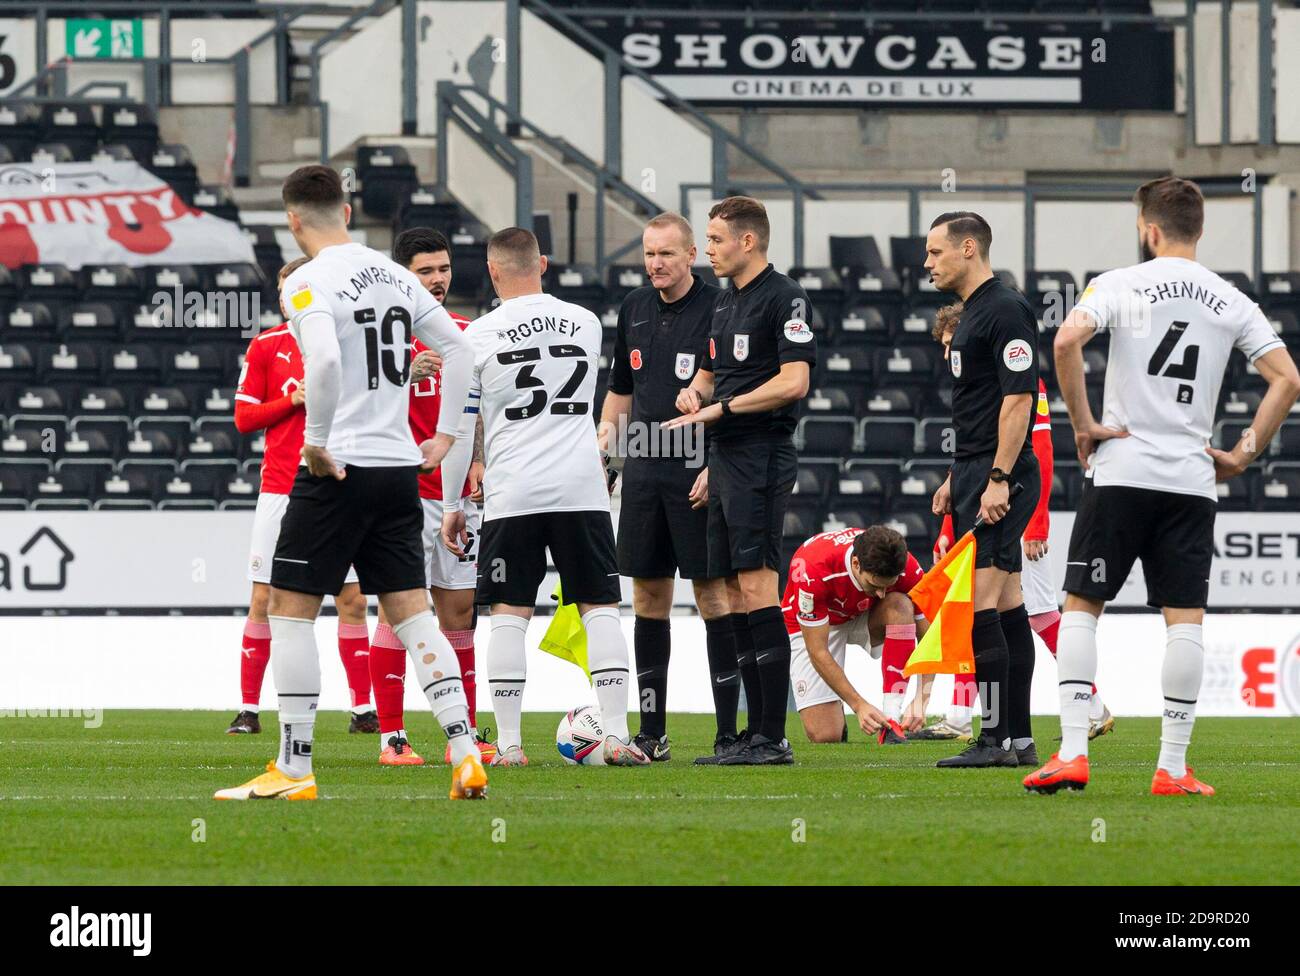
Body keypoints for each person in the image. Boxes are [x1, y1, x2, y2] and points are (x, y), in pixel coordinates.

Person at [215, 164, 487, 801]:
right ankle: (464, 751)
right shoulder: (395, 274)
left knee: (289, 610)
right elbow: (462, 351)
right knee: (414, 616)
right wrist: (443, 438)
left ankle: (294, 766)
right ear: (345, 207)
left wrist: (315, 442)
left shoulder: (307, 281)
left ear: (291, 219)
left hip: (338, 470)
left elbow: (329, 360)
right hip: (399, 473)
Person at [1027, 176, 1300, 795]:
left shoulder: (1121, 282)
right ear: (1198, 229)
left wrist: (1084, 425)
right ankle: (1172, 767)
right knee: (1185, 623)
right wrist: (1241, 455)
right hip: (1191, 480)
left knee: (1083, 608)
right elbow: (1286, 379)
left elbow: (1067, 339)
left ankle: (1072, 752)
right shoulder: (1231, 299)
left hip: (1123, 471)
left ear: (1149, 230)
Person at [437, 227, 650, 767]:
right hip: (581, 486)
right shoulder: (584, 323)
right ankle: (619, 736)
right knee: (601, 607)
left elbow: (462, 431)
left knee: (511, 612)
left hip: (515, 492)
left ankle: (509, 746)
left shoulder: (475, 337)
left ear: (491, 272)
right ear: (544, 264)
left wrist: (451, 506)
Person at [916, 302, 1114, 742]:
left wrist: (1038, 524)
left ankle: (1088, 704)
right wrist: (949, 524)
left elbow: (1039, 452)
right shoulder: (977, 385)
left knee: (1033, 615)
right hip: (993, 504)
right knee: (995, 610)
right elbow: (970, 455)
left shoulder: (1022, 384)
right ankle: (973, 719)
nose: (950, 356)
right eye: (946, 348)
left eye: (953, 346)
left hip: (1016, 512)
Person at [664, 195, 817, 766]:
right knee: (730, 591)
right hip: (725, 458)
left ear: (747, 241)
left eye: (715, 240)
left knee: (756, 589)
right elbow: (710, 372)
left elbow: (795, 380)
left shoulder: (784, 296)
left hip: (761, 453)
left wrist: (722, 410)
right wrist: (697, 393)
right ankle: (752, 736)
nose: (707, 250)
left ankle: (771, 738)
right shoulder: (726, 303)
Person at [598, 212, 730, 761]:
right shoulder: (632, 309)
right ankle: (652, 731)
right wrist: (604, 449)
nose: (656, 264)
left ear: (692, 254)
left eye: (667, 254)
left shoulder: (721, 308)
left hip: (698, 466)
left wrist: (716, 466)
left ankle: (729, 733)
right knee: (648, 597)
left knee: (711, 596)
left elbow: (733, 390)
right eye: (649, 254)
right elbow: (620, 390)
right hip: (645, 471)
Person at [228, 256, 375, 736]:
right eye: (286, 291)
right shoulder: (267, 345)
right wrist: (290, 401)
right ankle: (249, 709)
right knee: (265, 597)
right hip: (281, 489)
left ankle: (363, 710)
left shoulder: (351, 342)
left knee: (351, 599)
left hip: (340, 485)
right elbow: (244, 418)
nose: (293, 299)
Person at [366, 227, 494, 767]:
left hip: (458, 497)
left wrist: (481, 459)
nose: (438, 280)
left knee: (459, 611)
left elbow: (481, 407)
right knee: (397, 613)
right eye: (426, 271)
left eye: (443, 269)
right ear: (402, 276)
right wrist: (398, 374)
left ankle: (458, 733)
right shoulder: (380, 336)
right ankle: (391, 736)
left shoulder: (465, 333)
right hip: (402, 492)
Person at [924, 211, 1041, 769]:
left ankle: (994, 738)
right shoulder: (973, 314)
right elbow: (979, 404)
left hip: (1001, 475)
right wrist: (957, 476)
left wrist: (997, 477)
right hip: (976, 469)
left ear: (968, 248)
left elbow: (1018, 400)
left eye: (935, 252)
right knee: (1011, 605)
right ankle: (1017, 738)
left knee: (981, 606)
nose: (928, 264)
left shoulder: (1005, 308)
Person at [784, 525, 933, 744]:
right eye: (875, 585)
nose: (882, 593)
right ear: (856, 564)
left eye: (887, 586)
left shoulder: (906, 567)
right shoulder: (812, 570)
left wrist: (922, 698)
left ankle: (891, 718)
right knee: (826, 735)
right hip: (816, 623)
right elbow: (818, 651)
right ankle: (838, 707)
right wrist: (858, 704)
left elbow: (929, 637)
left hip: (864, 612)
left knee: (900, 605)